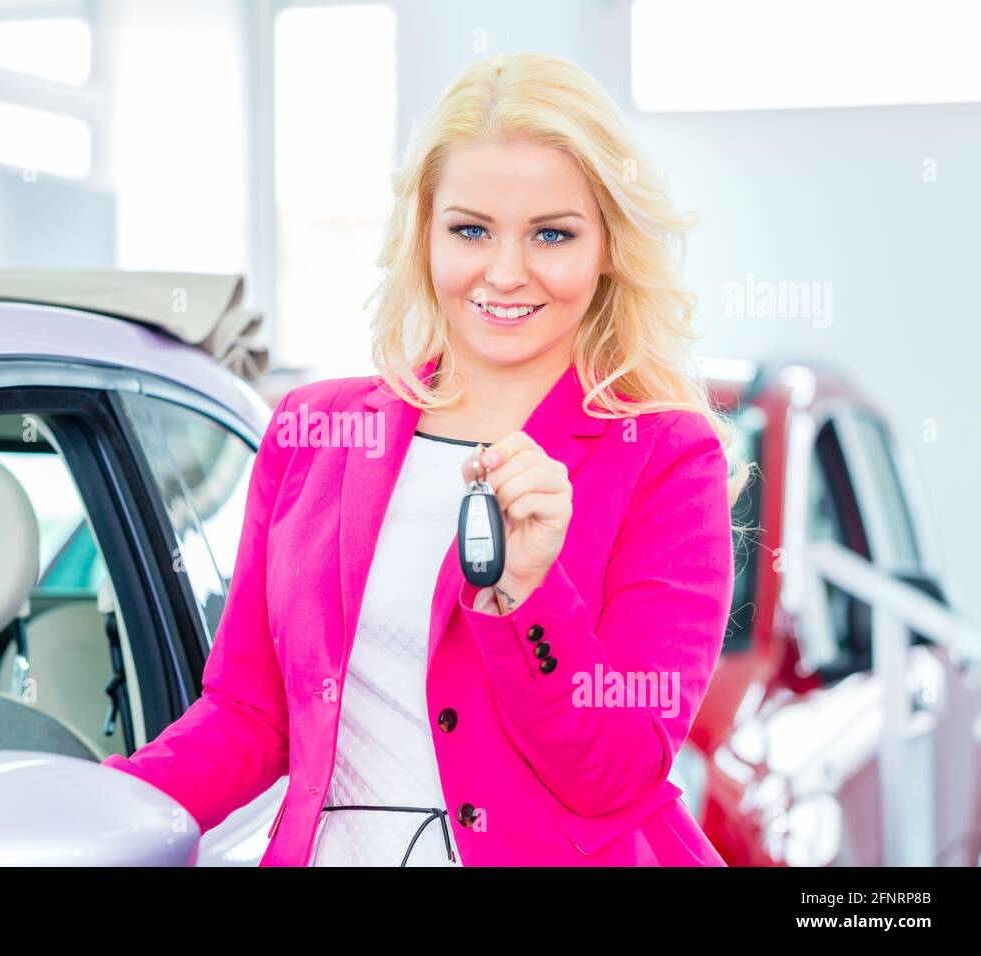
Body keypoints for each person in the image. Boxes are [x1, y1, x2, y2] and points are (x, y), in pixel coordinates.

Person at [103, 51, 752, 866]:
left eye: (552, 233)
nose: (505, 273)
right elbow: (250, 716)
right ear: (424, 233)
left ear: (609, 247)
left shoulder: (665, 460)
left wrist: (525, 595)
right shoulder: (314, 431)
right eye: (471, 230)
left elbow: (617, 776)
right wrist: (92, 810)